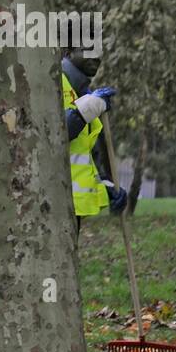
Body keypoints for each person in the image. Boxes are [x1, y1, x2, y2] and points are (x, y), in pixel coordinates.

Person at [62, 46, 125, 233]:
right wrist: (88, 107)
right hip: (50, 202)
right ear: (68, 52)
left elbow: (86, 155)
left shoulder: (83, 91)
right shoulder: (52, 84)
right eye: (88, 49)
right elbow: (58, 133)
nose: (96, 56)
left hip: (73, 206)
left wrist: (108, 187)